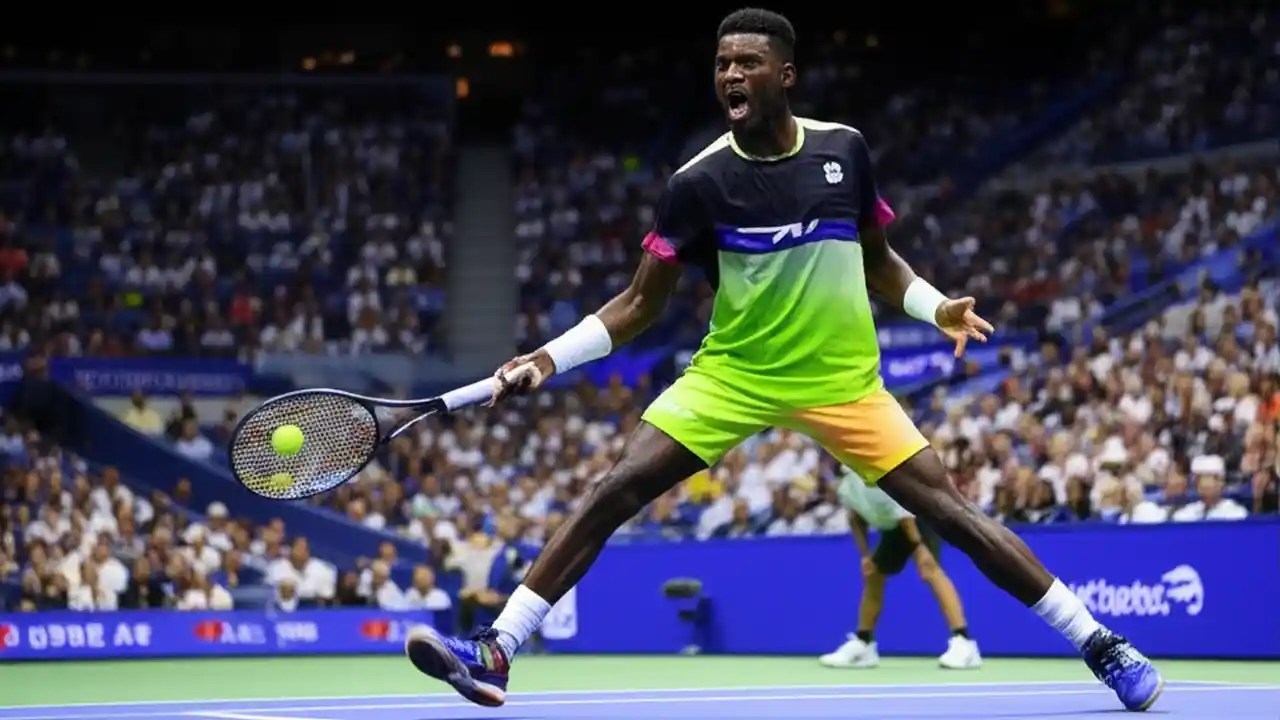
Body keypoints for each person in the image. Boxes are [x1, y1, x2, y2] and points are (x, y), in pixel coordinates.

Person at [405, 7, 1163, 712]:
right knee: (618, 486)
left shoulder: (843, 151)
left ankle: (1100, 642)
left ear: (785, 75)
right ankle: (499, 646)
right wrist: (547, 358)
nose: (731, 75)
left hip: (842, 381)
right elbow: (640, 304)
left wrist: (937, 307)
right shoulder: (697, 183)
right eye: (722, 64)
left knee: (951, 513)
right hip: (734, 373)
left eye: (748, 63)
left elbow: (880, 261)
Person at [819, 467, 981, 670]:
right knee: (874, 574)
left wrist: (920, 549)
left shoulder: (880, 478)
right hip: (896, 526)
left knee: (931, 571)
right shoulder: (847, 486)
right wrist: (865, 555)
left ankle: (964, 643)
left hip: (919, 517)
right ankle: (864, 644)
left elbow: (906, 517)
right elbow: (855, 519)